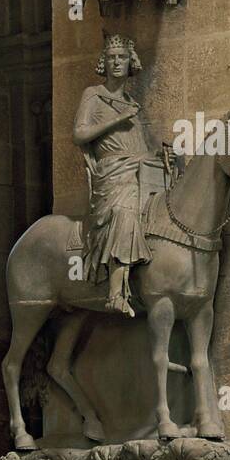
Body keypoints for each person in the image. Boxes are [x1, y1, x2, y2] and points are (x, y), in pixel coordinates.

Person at [73, 31, 154, 317]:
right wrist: (117, 119)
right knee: (125, 210)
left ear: (131, 62)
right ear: (103, 63)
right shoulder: (94, 95)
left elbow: (140, 147)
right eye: (111, 58)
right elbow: (80, 134)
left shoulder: (132, 102)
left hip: (139, 169)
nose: (116, 63)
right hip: (113, 172)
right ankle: (115, 294)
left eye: (121, 58)